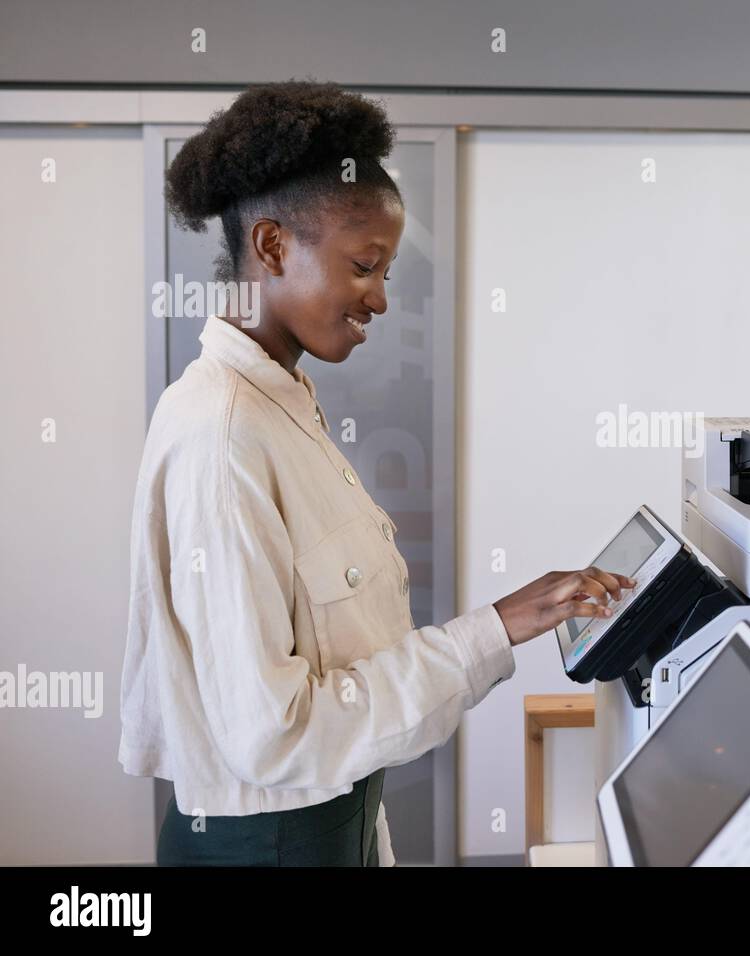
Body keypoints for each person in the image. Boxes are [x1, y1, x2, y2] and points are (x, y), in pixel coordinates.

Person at [119, 81, 632, 866]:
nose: (381, 299)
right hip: (270, 844)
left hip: (333, 822)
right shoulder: (221, 436)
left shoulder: (283, 406)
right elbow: (274, 734)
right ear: (271, 246)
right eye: (364, 266)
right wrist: (493, 629)